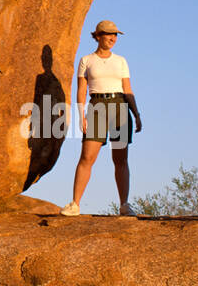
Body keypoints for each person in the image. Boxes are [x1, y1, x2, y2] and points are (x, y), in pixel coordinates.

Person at [60, 20, 142, 216]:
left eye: (115, 35)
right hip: (97, 106)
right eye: (108, 34)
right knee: (87, 156)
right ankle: (75, 204)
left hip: (120, 106)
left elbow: (128, 90)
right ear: (98, 36)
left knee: (121, 159)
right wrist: (81, 115)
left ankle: (124, 205)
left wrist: (136, 114)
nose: (113, 38)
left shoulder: (121, 61)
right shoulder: (86, 60)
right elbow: (81, 90)